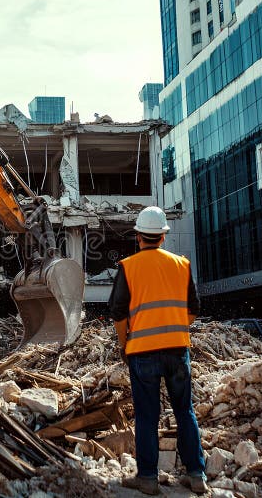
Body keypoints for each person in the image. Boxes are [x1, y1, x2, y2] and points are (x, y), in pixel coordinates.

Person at [109, 206, 206, 495]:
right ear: (163, 237)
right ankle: (196, 474)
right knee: (184, 410)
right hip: (178, 350)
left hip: (143, 352)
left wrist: (125, 344)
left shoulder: (129, 267)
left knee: (148, 415)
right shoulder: (182, 265)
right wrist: (173, 326)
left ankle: (148, 478)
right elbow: (194, 310)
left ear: (138, 236)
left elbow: (117, 313)